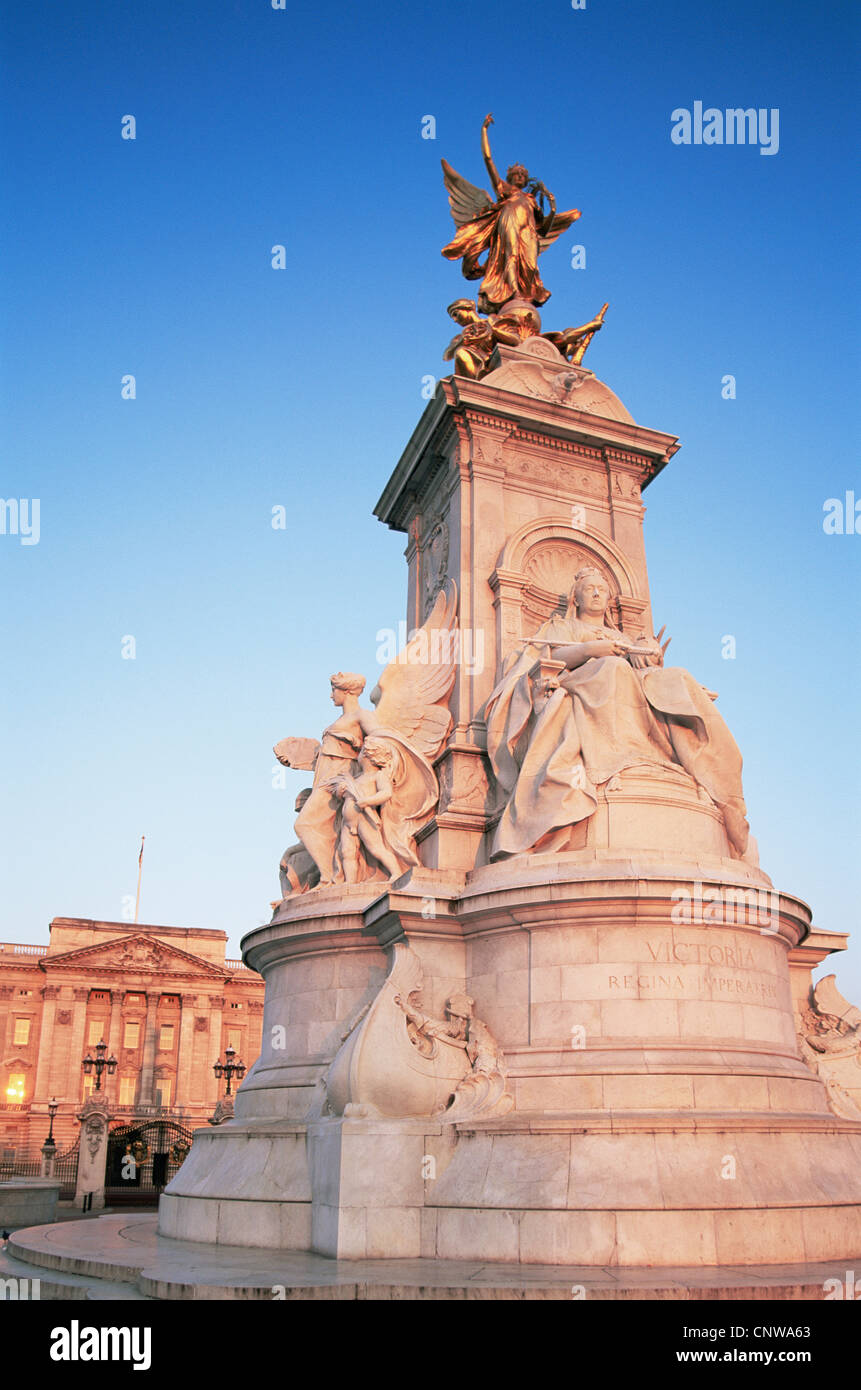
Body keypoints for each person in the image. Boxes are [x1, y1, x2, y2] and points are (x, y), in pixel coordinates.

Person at [485, 567, 751, 859]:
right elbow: (545, 658)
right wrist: (589, 649)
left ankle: (700, 774)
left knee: (678, 679)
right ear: (576, 598)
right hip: (580, 682)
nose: (597, 593)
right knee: (614, 669)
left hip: (625, 685)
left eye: (602, 589)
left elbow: (644, 670)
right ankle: (620, 762)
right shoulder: (562, 627)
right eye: (590, 588)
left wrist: (647, 656)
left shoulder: (620, 635)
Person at [441, 113, 581, 314]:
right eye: (517, 174)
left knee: (531, 265)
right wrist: (484, 131)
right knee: (511, 255)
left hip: (529, 228)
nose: (520, 176)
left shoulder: (532, 200)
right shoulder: (504, 189)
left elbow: (545, 230)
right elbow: (488, 160)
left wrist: (552, 207)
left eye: (523, 175)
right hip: (509, 219)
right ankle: (514, 292)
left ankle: (526, 293)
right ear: (510, 176)